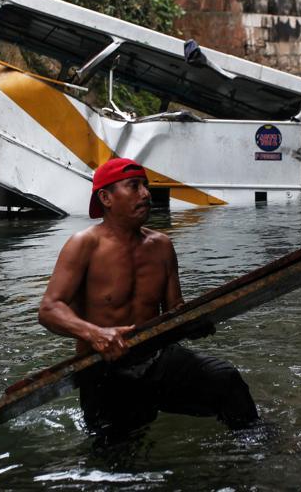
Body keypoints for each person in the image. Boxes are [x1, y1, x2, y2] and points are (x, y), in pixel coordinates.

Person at [38, 157, 258, 437]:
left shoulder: (161, 245)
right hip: (105, 371)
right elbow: (49, 309)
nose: (145, 194)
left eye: (145, 186)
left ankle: (254, 452)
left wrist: (194, 323)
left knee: (225, 380)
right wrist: (96, 334)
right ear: (106, 197)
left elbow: (173, 310)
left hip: (158, 358)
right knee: (118, 456)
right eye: (134, 186)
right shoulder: (84, 244)